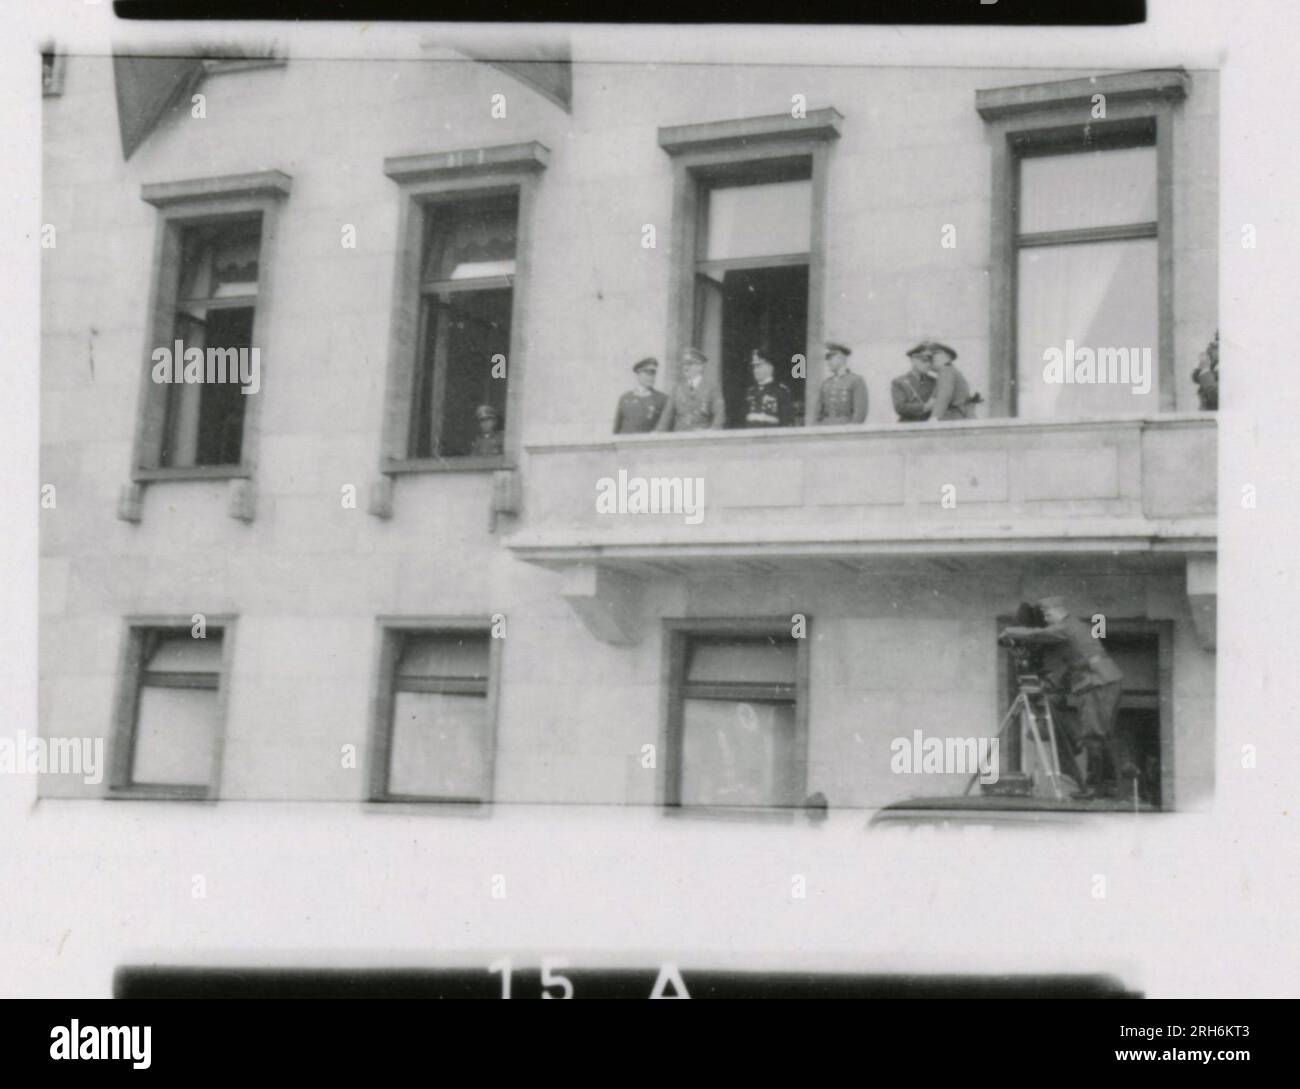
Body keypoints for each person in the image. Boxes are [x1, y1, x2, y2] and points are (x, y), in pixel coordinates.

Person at [999, 596, 1131, 800]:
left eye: (1047, 615)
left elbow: (1039, 634)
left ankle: (1095, 787)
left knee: (1093, 734)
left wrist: (1009, 631)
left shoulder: (1067, 627)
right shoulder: (1073, 627)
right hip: (1100, 679)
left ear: (1056, 611)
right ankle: (1107, 786)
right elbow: (1071, 664)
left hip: (1098, 680)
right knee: (1100, 734)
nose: (1047, 619)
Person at [656, 346, 727, 432]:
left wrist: (712, 431)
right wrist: (657, 433)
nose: (686, 368)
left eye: (690, 364)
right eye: (684, 364)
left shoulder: (711, 388)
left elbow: (719, 415)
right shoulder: (677, 388)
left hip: (701, 437)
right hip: (680, 437)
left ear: (700, 367)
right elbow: (666, 416)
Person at [926, 341, 983, 420]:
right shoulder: (949, 371)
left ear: (946, 357)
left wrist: (934, 418)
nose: (931, 359)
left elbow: (944, 396)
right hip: (961, 417)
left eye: (934, 354)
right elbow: (933, 400)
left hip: (956, 417)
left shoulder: (946, 371)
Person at [815, 340, 868, 424]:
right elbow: (817, 414)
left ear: (841, 358)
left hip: (845, 430)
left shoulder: (856, 380)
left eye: (830, 357)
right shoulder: (826, 383)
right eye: (827, 358)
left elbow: (859, 414)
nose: (828, 362)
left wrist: (850, 432)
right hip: (825, 429)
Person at [612, 356, 668, 434]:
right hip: (626, 444)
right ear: (638, 374)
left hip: (647, 444)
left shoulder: (662, 399)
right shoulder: (625, 398)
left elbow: (666, 427)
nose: (651, 377)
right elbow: (616, 429)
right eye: (647, 373)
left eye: (653, 373)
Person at [743, 350, 794, 428]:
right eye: (754, 367)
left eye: (759, 366)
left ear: (770, 367)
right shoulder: (750, 392)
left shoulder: (781, 391)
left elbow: (787, 423)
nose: (755, 370)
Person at [890, 342, 938, 422]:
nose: (928, 364)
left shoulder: (934, 381)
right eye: (924, 360)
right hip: (908, 427)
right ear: (913, 360)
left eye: (930, 361)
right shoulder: (899, 382)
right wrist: (925, 407)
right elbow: (900, 407)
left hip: (929, 426)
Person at [1192, 330, 1219, 411]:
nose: (1212, 346)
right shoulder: (1215, 364)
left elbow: (1216, 397)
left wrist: (1205, 371)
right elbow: (1195, 376)